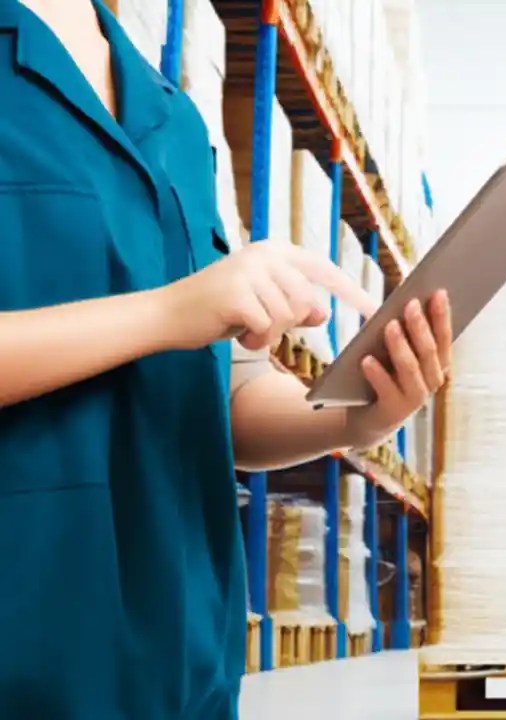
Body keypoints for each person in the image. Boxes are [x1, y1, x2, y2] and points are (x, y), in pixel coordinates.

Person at [0, 1, 451, 717]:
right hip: (33, 644)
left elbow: (223, 392)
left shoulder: (172, 121)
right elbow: (175, 319)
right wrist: (167, 312)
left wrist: (356, 416)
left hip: (183, 660)